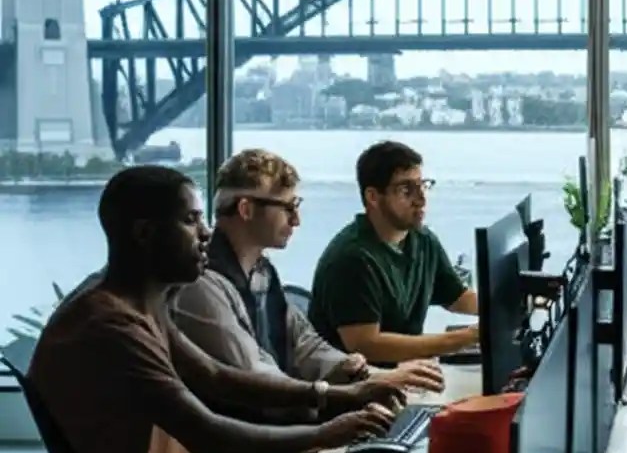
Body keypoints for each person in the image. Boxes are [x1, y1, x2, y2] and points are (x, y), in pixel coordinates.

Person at [28, 165, 405, 453]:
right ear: (145, 234)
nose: (206, 233)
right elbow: (208, 433)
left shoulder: (134, 299)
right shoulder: (111, 326)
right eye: (191, 220)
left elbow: (214, 375)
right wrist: (325, 432)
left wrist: (340, 395)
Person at [169, 149, 445, 421]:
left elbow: (304, 343)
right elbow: (253, 376)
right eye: (287, 207)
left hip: (277, 427)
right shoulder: (202, 285)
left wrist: (369, 375)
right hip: (242, 447)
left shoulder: (262, 271)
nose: (296, 220)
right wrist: (348, 396)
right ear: (246, 209)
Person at [309, 141, 480, 363]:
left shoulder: (422, 240)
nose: (421, 199)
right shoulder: (352, 259)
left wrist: (506, 307)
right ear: (373, 197)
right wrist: (463, 339)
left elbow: (456, 297)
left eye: (423, 185)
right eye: (406, 190)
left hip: (401, 375)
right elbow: (367, 346)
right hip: (355, 388)